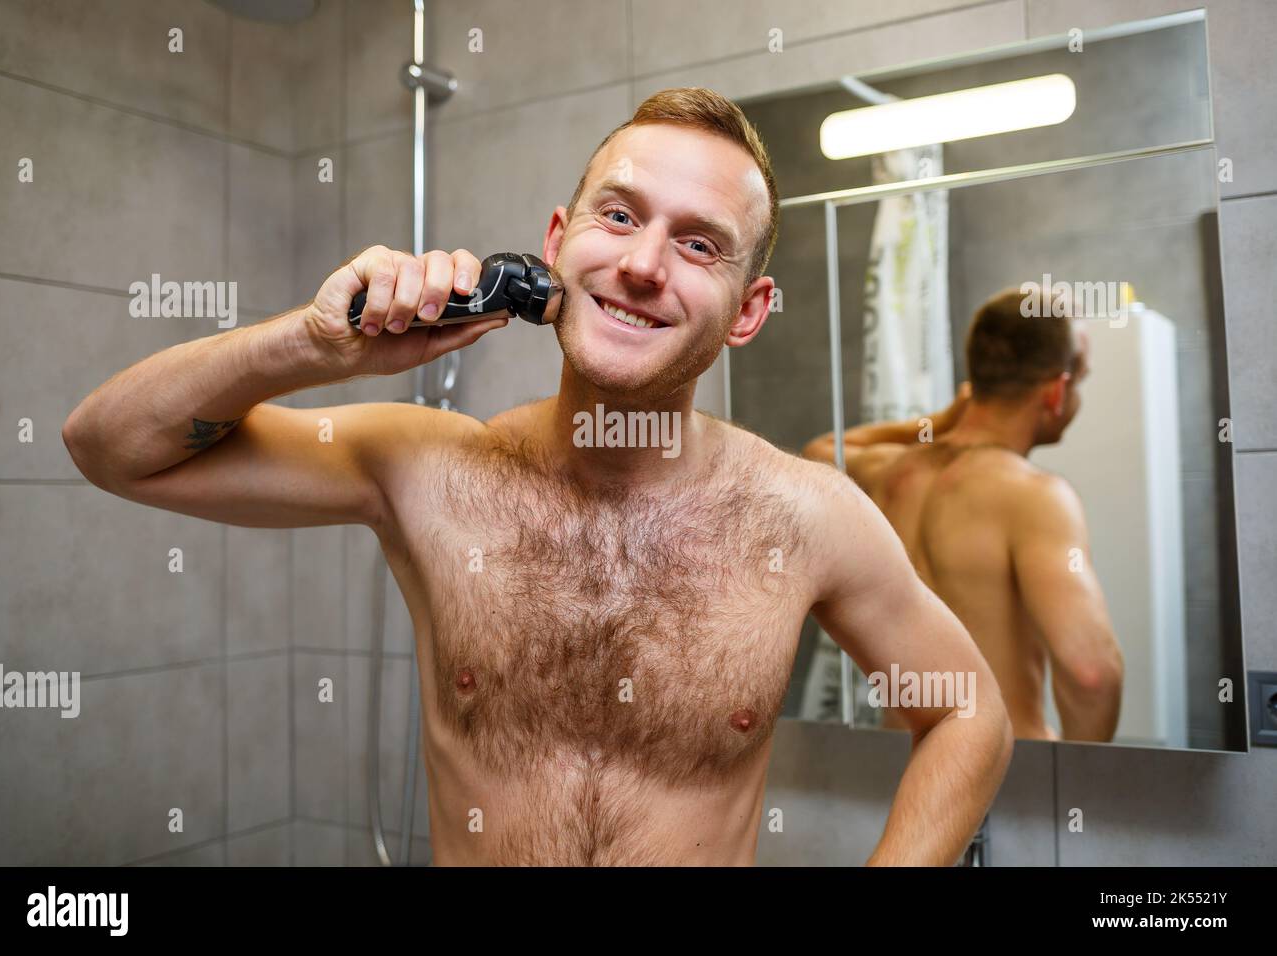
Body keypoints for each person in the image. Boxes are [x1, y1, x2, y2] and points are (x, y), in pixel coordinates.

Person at [63, 87, 1011, 866]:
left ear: (749, 310)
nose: (641, 264)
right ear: (559, 238)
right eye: (619, 215)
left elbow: (969, 715)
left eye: (697, 243)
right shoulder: (426, 468)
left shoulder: (806, 517)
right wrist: (317, 347)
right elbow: (110, 445)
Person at [805, 288, 1123, 742]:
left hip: (902, 764)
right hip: (1004, 770)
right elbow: (1090, 673)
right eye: (1082, 380)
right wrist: (1080, 782)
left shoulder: (890, 474)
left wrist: (941, 420)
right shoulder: (1035, 496)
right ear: (1057, 392)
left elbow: (821, 449)